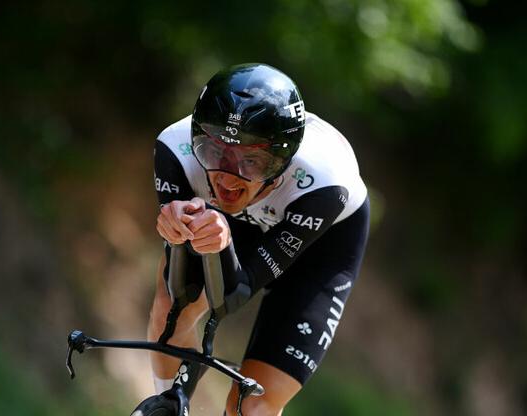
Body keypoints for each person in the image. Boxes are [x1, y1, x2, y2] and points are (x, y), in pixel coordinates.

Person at [148, 63, 369, 415]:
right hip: (237, 224)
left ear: (283, 162)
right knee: (172, 307)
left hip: (321, 246)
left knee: (251, 406)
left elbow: (235, 293)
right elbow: (185, 287)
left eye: (252, 161)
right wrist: (180, 230)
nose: (227, 177)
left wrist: (222, 243)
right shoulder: (176, 150)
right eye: (214, 151)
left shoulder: (325, 185)